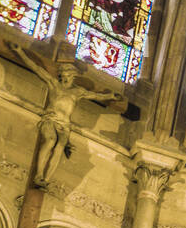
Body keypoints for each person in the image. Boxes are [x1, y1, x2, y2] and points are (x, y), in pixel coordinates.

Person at [10, 44, 121, 187]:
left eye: (69, 76)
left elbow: (95, 95)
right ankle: (38, 175)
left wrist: (110, 95)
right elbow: (36, 68)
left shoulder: (77, 92)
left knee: (59, 147)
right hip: (51, 119)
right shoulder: (54, 84)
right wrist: (20, 51)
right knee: (50, 141)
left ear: (73, 77)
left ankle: (47, 179)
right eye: (64, 75)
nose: (65, 78)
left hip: (65, 124)